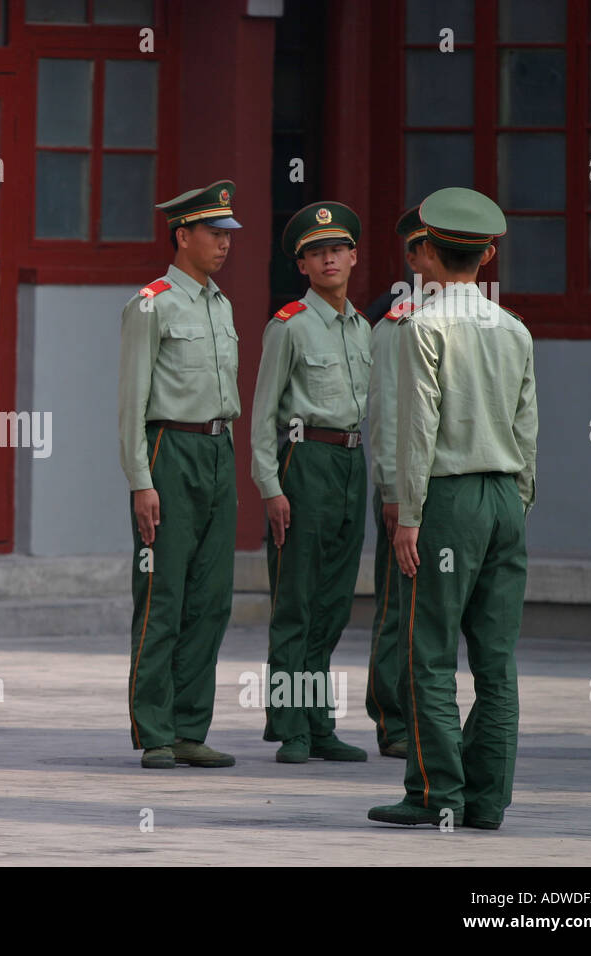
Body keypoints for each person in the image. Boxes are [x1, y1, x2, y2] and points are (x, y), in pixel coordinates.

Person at [369, 187, 536, 829]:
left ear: (429, 255)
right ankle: (488, 799)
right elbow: (528, 430)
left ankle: (435, 794)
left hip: (449, 497)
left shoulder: (422, 325)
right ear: (488, 254)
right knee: (496, 661)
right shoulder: (514, 328)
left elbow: (418, 428)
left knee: (428, 650)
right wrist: (516, 505)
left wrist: (407, 513)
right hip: (504, 496)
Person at [117, 180, 243, 770]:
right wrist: (141, 480)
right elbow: (131, 403)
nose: (223, 244)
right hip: (169, 449)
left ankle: (192, 727)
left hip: (218, 453)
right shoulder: (152, 303)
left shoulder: (222, 304)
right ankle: (155, 731)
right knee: (162, 594)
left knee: (211, 598)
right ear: (183, 235)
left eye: (227, 235)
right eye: (213, 234)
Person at [249, 201, 372, 764]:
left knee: (334, 603)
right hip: (306, 461)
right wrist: (271, 487)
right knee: (296, 600)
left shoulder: (364, 328)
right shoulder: (289, 325)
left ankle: (320, 722)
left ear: (353, 257)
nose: (329, 259)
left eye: (337, 249)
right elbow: (261, 414)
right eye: (317, 252)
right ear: (302, 264)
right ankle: (289, 725)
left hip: (351, 462)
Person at [364, 206, 434, 760]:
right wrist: (391, 489)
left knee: (439, 609)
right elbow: (387, 411)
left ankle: (431, 716)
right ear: (412, 257)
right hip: (404, 485)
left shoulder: (479, 316)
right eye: (429, 247)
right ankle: (394, 718)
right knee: (399, 604)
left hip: (454, 486)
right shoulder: (398, 320)